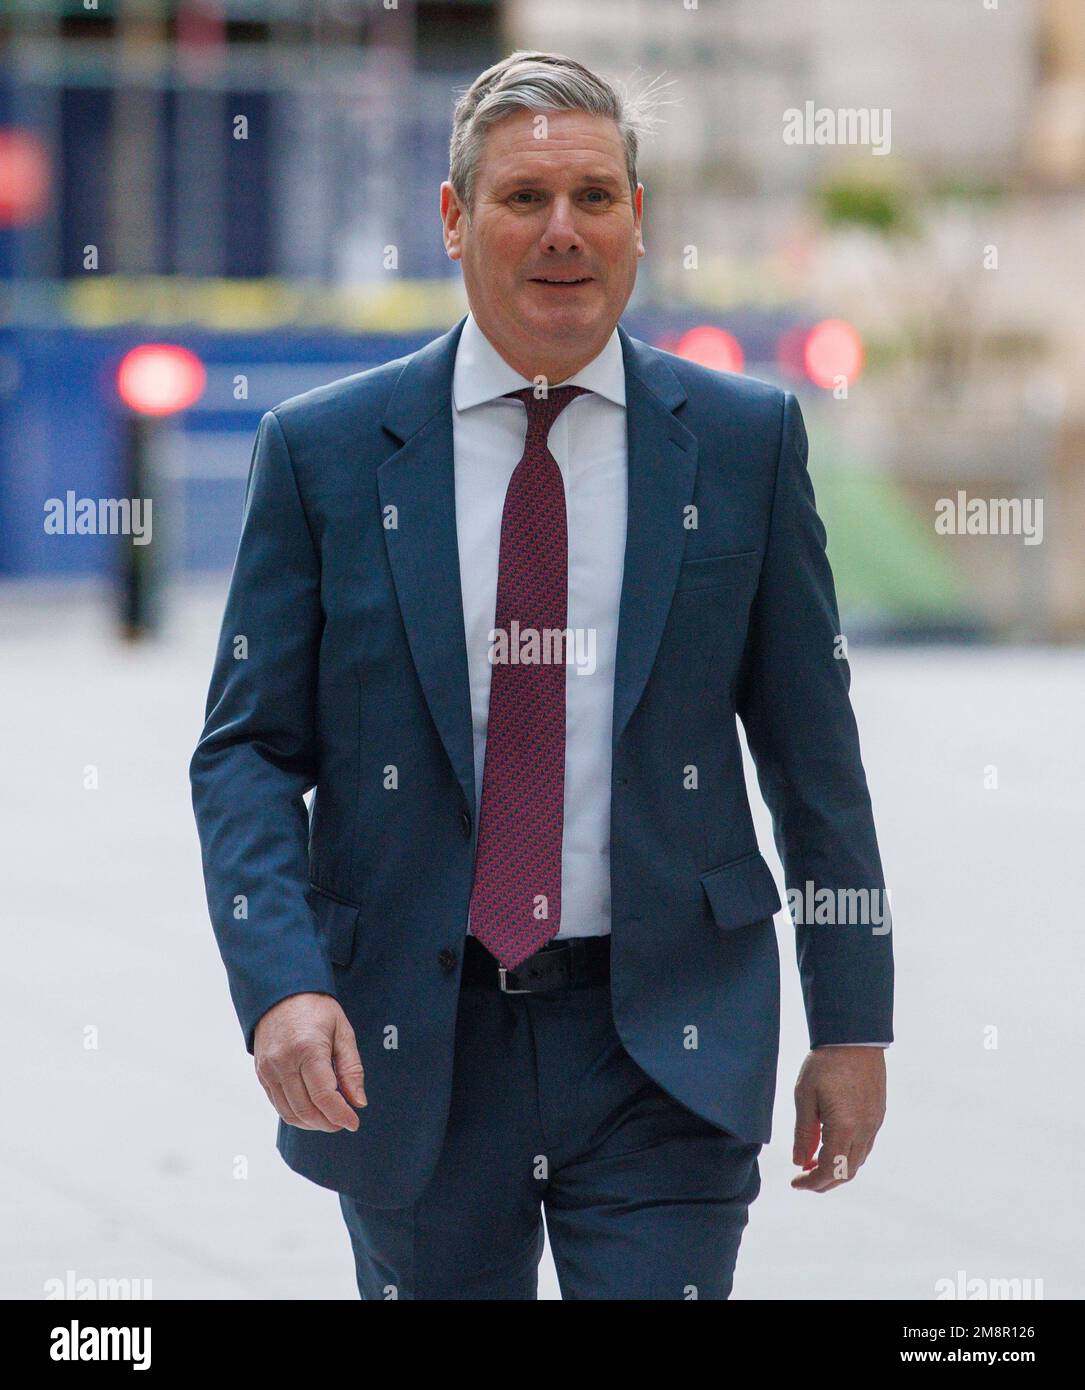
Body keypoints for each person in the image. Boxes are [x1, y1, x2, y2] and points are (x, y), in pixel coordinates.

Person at [190, 50, 893, 1301]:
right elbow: (248, 750)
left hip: (664, 1044)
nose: (563, 231)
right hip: (410, 1048)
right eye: (523, 198)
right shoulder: (326, 454)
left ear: (637, 218)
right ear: (455, 219)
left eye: (595, 196)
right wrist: (281, 985)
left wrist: (850, 1019)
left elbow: (812, 756)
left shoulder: (742, 444)